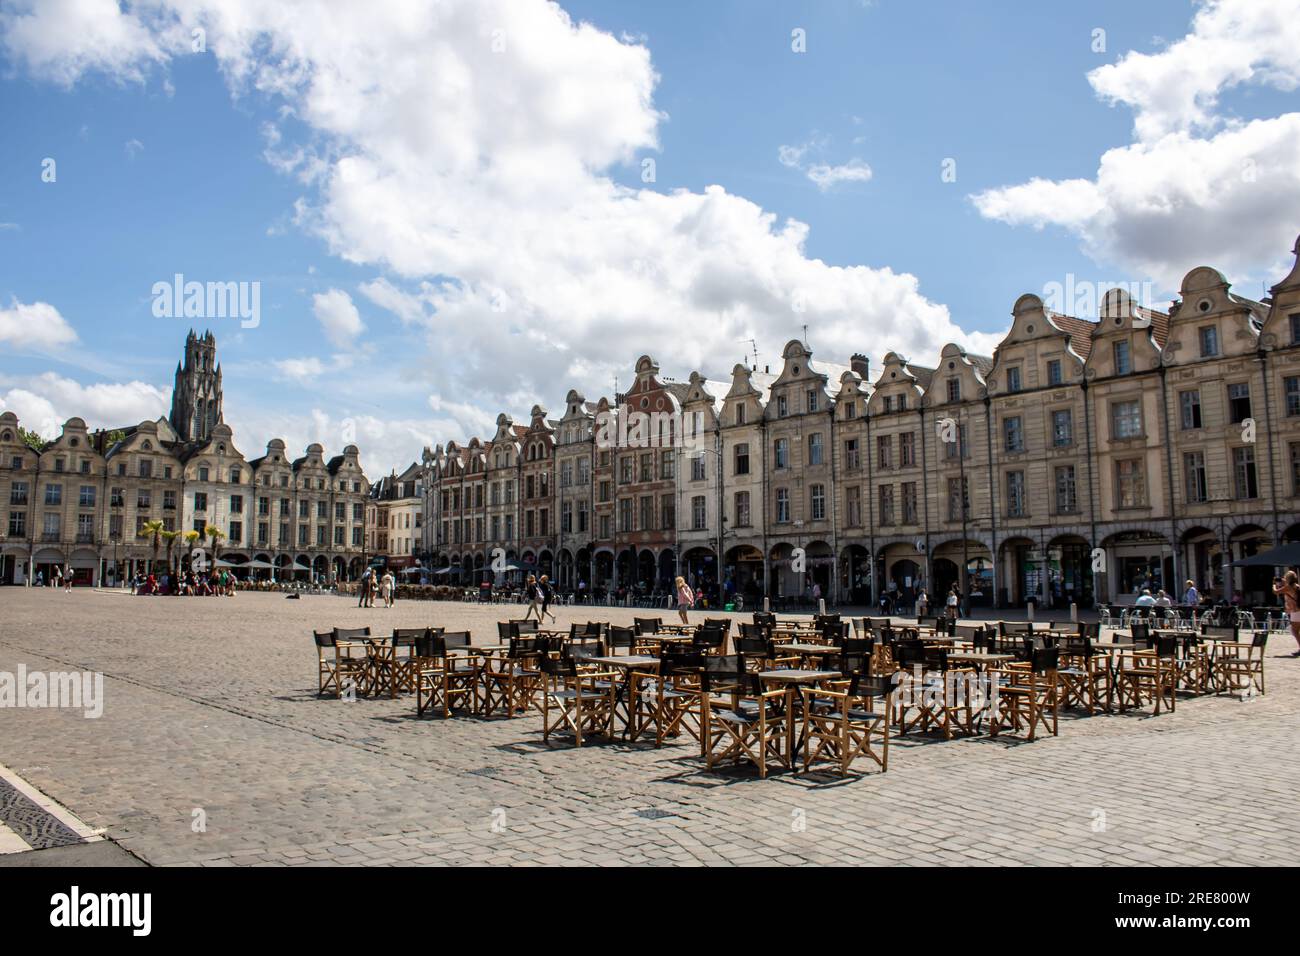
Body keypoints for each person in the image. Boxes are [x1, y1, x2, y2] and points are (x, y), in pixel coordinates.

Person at [1273, 570, 1300, 656]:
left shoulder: (1288, 587)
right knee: (1295, 629)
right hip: (1298, 610)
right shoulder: (1297, 586)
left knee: (1294, 630)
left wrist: (1273, 585)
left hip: (1295, 611)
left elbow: (1276, 592)